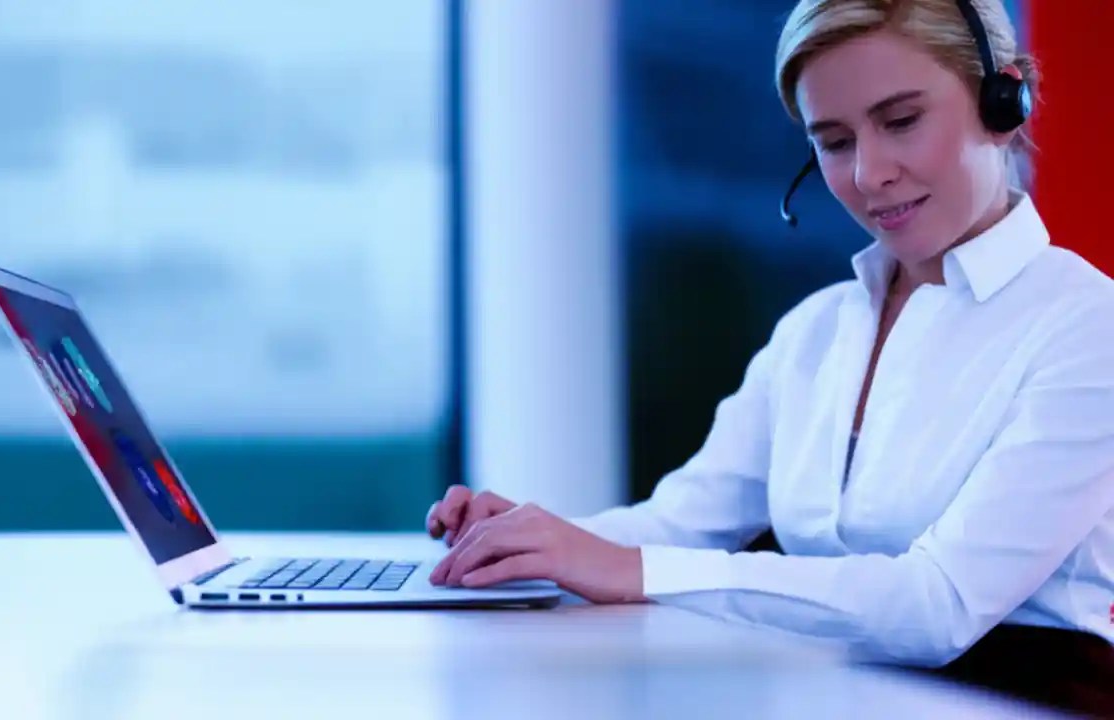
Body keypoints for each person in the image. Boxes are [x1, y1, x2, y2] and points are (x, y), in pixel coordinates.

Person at [426, 0, 1114, 713]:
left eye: (901, 120)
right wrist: (528, 543)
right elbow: (677, 525)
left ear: (1006, 97)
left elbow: (938, 605)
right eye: (835, 140)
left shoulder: (1086, 326)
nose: (869, 173)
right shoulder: (816, 332)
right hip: (826, 698)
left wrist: (626, 567)